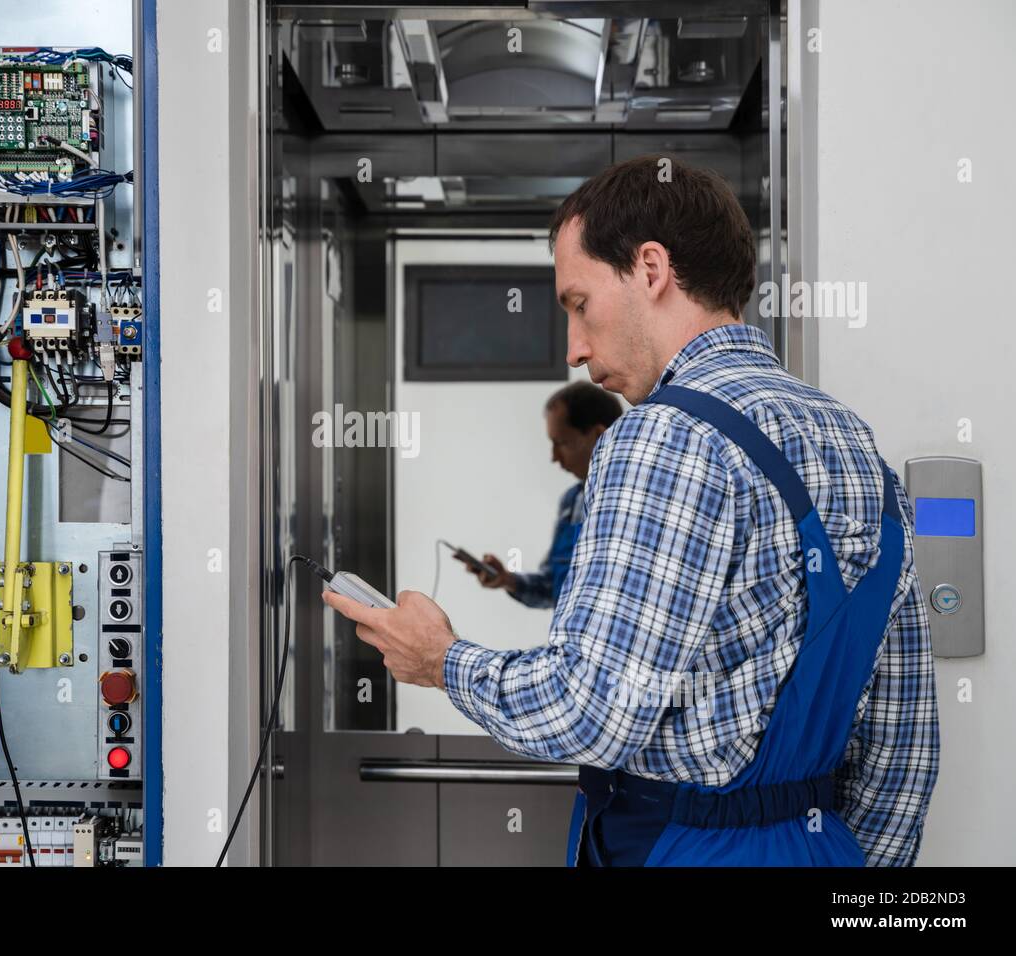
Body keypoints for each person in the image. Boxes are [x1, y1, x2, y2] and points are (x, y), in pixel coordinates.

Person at [324, 155, 939, 867]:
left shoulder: (659, 435)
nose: (575, 349)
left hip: (678, 847)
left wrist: (443, 660)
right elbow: (901, 745)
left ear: (651, 269)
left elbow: (590, 711)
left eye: (578, 304)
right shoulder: (857, 444)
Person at [467, 382, 621, 608]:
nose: (554, 457)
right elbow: (551, 587)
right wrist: (507, 579)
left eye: (562, 443)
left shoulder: (634, 501)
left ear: (599, 436)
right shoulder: (572, 502)